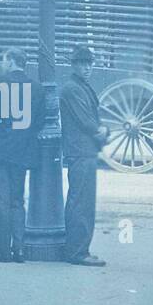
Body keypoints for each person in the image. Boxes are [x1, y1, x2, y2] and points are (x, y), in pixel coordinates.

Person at [0, 48, 39, 263]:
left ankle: (4, 250)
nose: (3, 64)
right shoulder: (37, 88)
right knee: (17, 201)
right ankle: (20, 249)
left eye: (5, 60)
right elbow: (39, 121)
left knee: (1, 201)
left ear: (11, 61)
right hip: (22, 153)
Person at [59, 45, 108, 267]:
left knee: (80, 201)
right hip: (81, 151)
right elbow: (86, 121)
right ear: (74, 65)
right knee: (81, 203)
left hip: (83, 151)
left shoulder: (79, 86)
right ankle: (78, 252)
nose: (87, 68)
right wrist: (102, 132)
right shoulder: (73, 89)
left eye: (89, 64)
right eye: (82, 64)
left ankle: (77, 249)